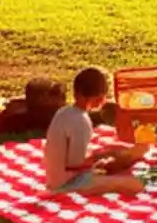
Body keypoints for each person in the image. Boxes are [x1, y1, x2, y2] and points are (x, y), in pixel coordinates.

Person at [44, 66, 148, 194]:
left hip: (54, 179)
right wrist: (103, 156)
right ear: (99, 98)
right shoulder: (81, 121)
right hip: (66, 184)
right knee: (134, 183)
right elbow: (74, 163)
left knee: (113, 164)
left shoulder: (64, 112)